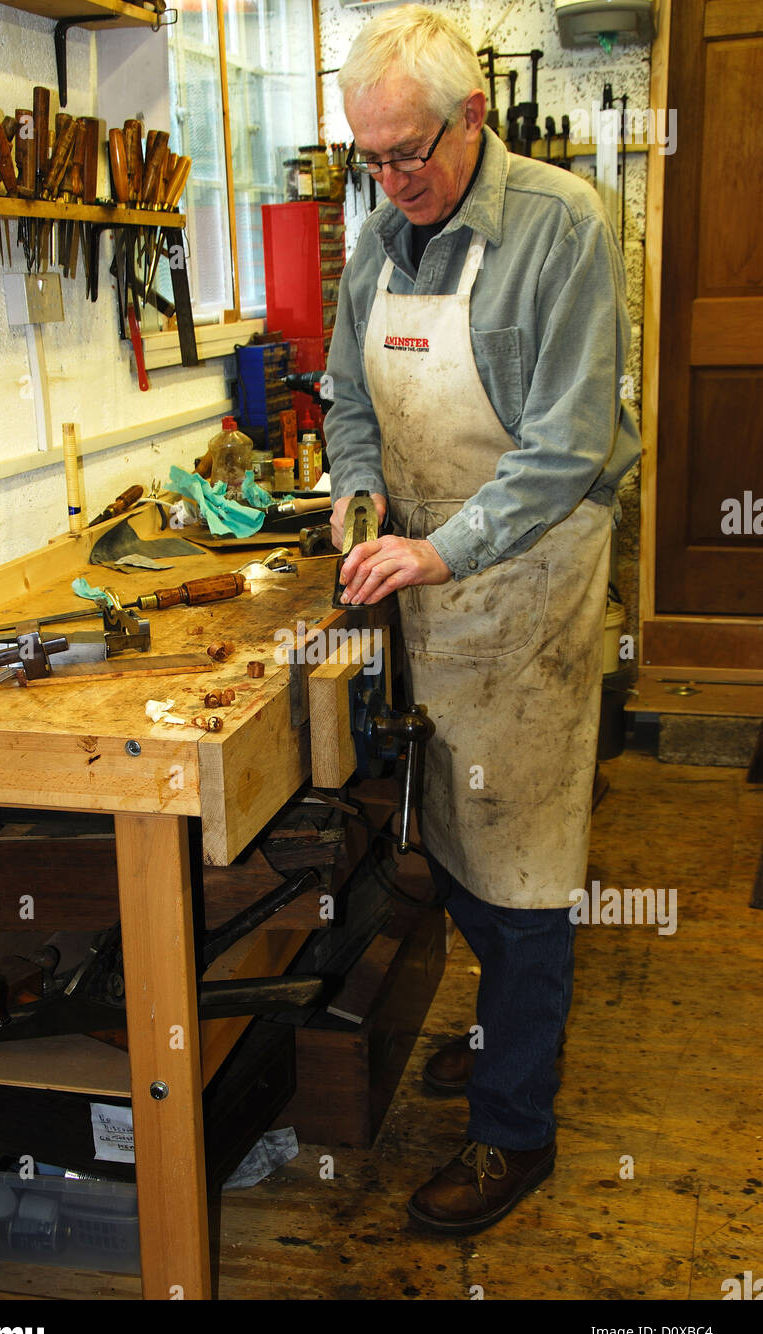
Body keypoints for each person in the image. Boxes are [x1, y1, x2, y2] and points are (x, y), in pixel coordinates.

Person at [325, 6, 641, 1234]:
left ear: (472, 120)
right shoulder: (376, 240)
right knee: (451, 841)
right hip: (423, 585)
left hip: (532, 589)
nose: (394, 181)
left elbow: (565, 447)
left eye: (411, 154)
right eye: (372, 160)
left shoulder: (563, 229)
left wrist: (439, 548)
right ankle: (508, 1035)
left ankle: (518, 1131)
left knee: (525, 875)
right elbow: (353, 397)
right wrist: (359, 505)